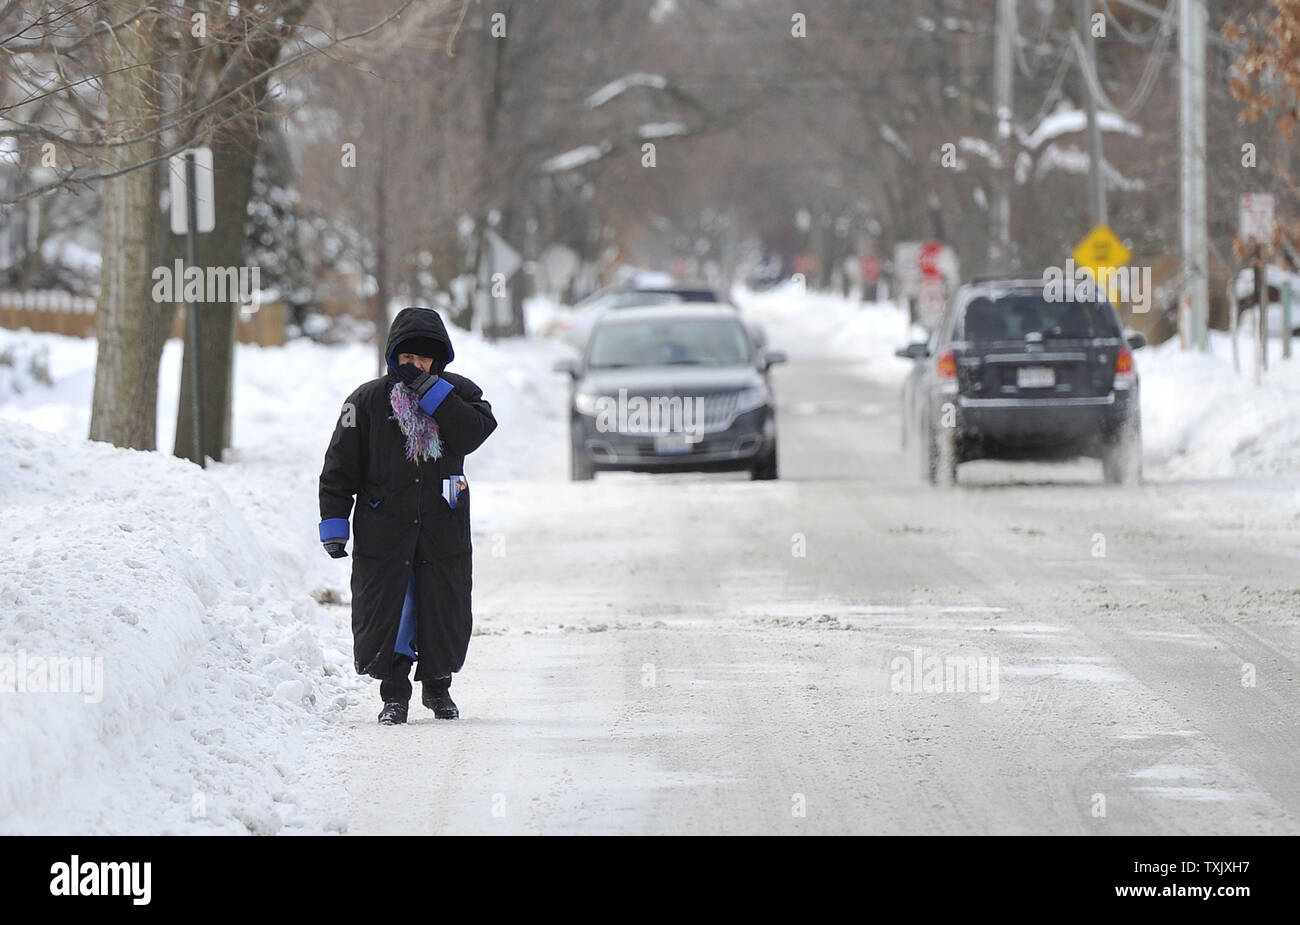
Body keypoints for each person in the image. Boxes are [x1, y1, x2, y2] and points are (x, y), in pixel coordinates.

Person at [318, 307, 496, 725]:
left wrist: (435, 395)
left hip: (442, 527)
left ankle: (438, 687)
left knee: (439, 606)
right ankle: (394, 695)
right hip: (385, 529)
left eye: (423, 358)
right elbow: (339, 467)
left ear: (439, 358)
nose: (414, 366)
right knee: (394, 611)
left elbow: (473, 432)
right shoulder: (364, 402)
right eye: (407, 357)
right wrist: (334, 523)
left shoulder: (459, 393)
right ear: (393, 356)